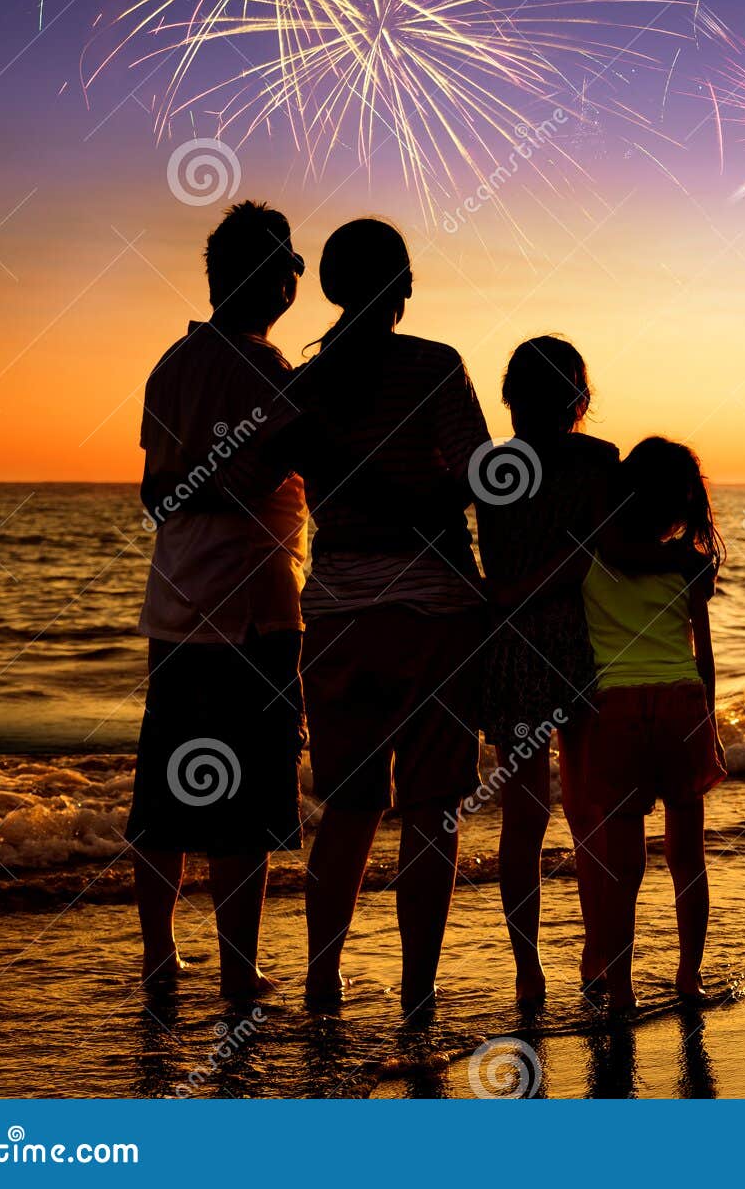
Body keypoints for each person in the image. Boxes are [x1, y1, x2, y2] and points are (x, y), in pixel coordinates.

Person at [291, 218, 491, 1015]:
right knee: (431, 809)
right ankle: (417, 989)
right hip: (437, 612)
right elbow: (482, 473)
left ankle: (322, 975)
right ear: (405, 287)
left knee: (349, 806)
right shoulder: (434, 366)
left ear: (332, 289)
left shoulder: (303, 387)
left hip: (338, 612)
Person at [125, 200, 307, 1001]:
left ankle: (160, 957)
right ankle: (240, 972)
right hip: (252, 612)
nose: (297, 278)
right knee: (245, 802)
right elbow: (272, 473)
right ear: (270, 279)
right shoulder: (268, 375)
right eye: (291, 266)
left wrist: (192, 487)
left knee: (166, 794)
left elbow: (152, 493)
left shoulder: (169, 366)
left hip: (174, 610)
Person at [474, 337, 618, 1002]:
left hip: (511, 644)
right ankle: (598, 956)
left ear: (511, 397)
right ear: (579, 400)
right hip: (577, 639)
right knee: (589, 808)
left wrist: (511, 593)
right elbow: (594, 553)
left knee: (523, 817)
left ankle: (527, 970)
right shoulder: (599, 462)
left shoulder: (492, 467)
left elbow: (494, 567)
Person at [575, 438, 727, 1010]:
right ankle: (689, 976)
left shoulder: (591, 555)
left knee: (623, 865)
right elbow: (702, 655)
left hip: (615, 708)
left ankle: (621, 988)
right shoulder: (687, 566)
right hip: (681, 703)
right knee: (687, 857)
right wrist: (708, 720)